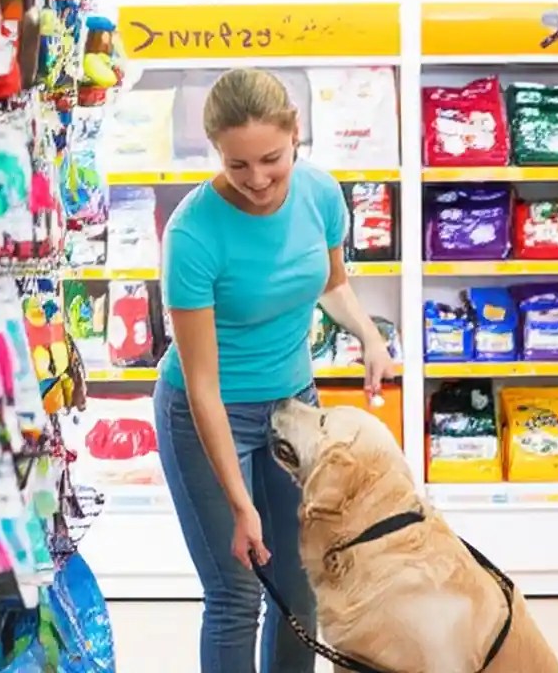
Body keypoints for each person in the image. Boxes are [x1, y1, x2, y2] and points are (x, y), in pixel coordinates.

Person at [153, 68, 395, 673]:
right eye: (238, 166)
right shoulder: (192, 234)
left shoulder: (320, 194)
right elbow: (204, 386)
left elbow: (333, 285)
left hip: (292, 406)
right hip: (208, 415)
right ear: (216, 153)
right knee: (236, 595)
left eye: (272, 160)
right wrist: (240, 504)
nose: (257, 180)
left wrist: (367, 335)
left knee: (299, 590)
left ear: (296, 134)